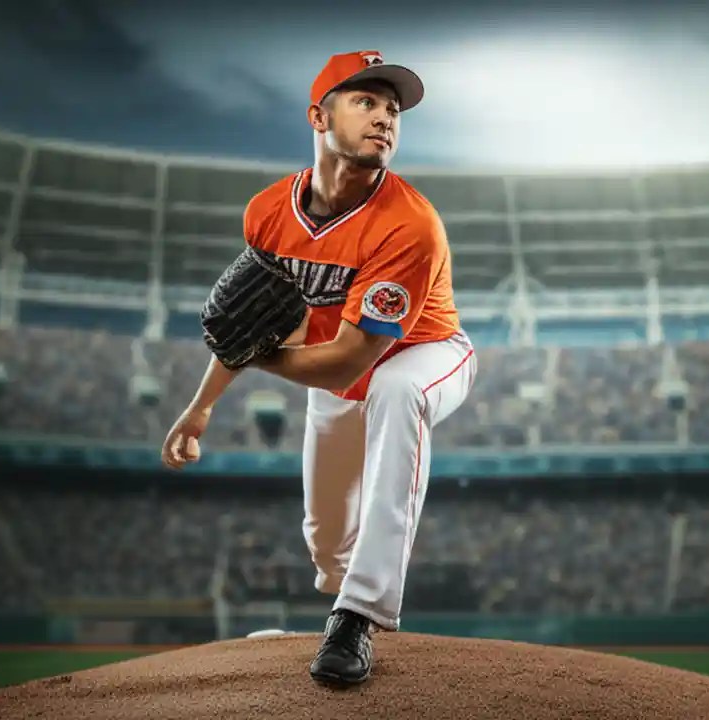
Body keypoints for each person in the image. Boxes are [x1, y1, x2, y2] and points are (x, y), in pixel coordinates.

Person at [161, 50, 477, 687]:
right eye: (366, 101)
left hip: (425, 353)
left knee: (394, 388)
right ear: (318, 114)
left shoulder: (410, 224)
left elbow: (355, 358)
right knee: (326, 537)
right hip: (331, 369)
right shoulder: (268, 213)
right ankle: (341, 599)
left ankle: (359, 616)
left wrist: (260, 357)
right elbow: (253, 322)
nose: (386, 117)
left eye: (393, 109)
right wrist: (202, 405)